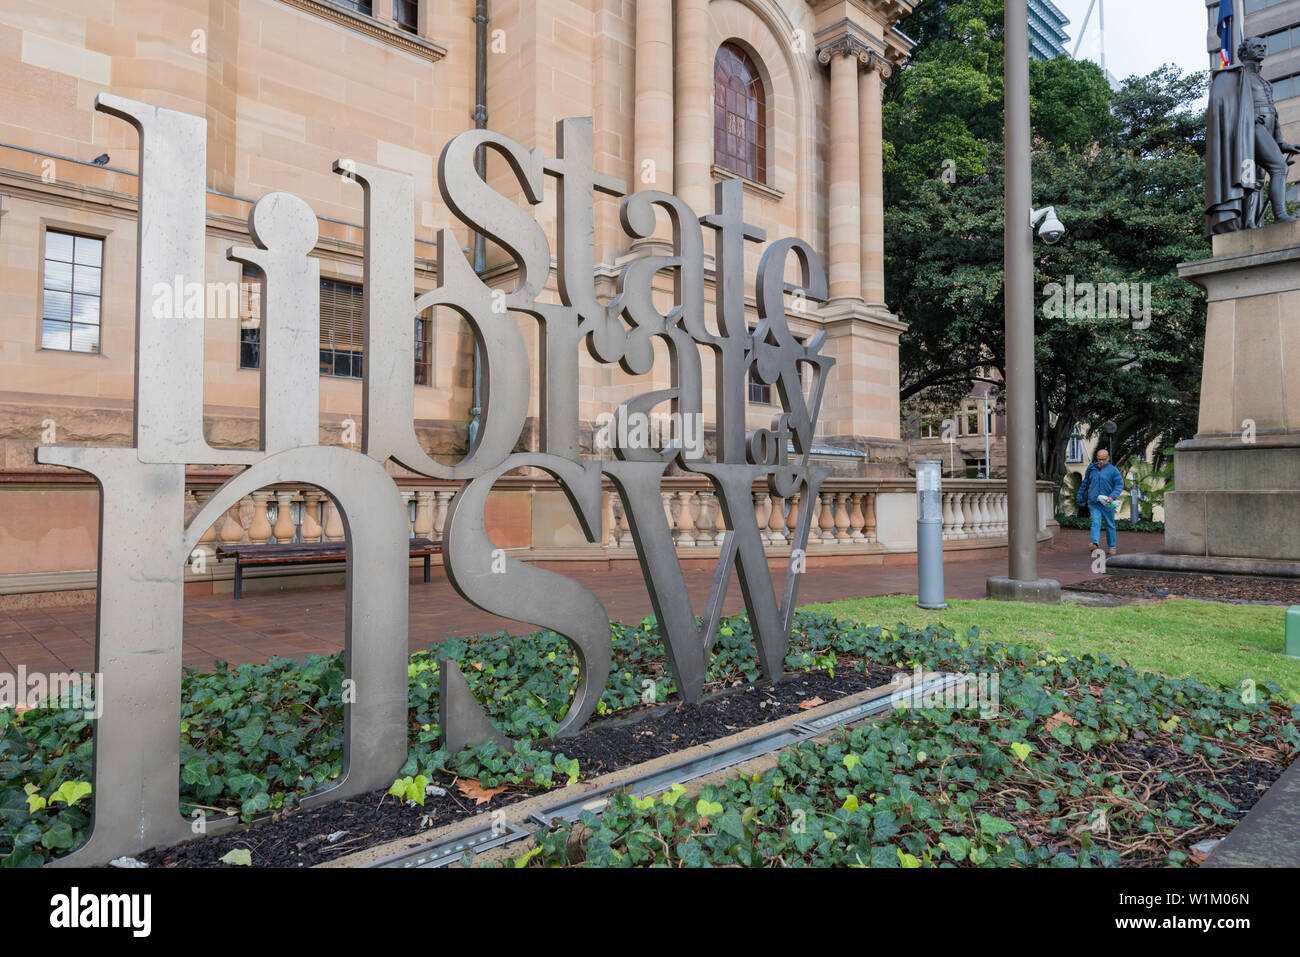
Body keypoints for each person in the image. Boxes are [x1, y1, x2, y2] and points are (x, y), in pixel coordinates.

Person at [1076, 448, 1125, 555]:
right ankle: (1095, 543)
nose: (1101, 462)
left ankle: (1112, 546)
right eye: (1099, 459)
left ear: (1108, 458)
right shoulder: (1091, 469)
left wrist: (1112, 496)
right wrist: (1079, 496)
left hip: (1108, 502)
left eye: (1103, 459)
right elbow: (1085, 483)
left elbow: (1119, 484)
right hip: (1093, 502)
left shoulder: (1113, 470)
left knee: (1110, 524)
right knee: (1095, 522)